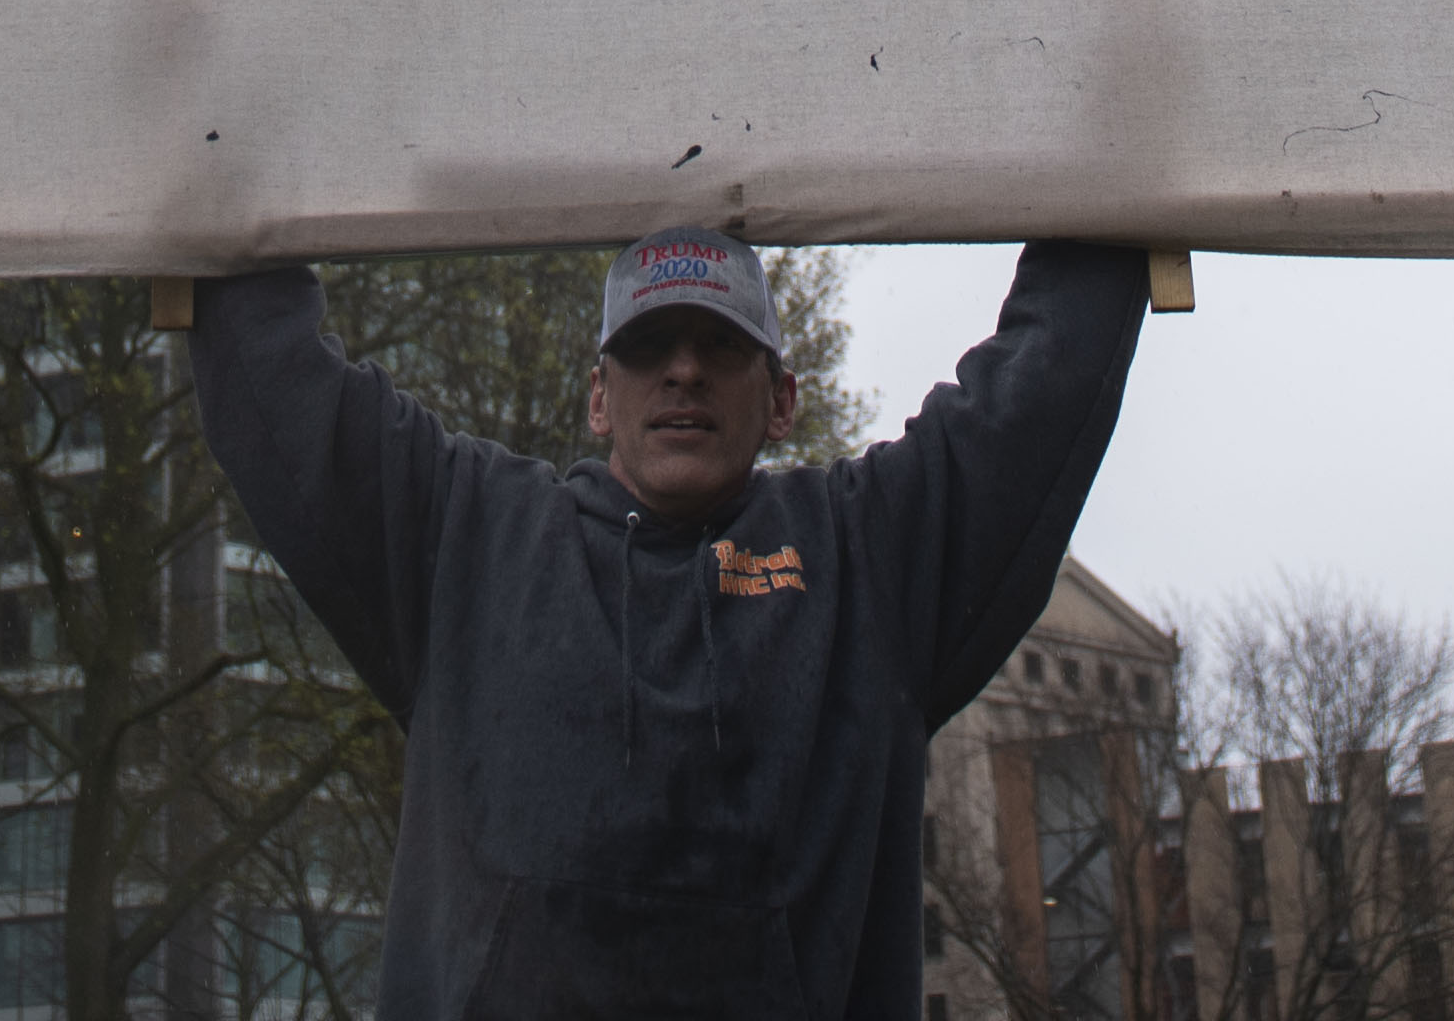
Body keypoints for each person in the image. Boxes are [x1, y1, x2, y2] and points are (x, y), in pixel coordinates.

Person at [192, 228, 1151, 1021]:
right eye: (649, 347)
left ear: (782, 398)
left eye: (722, 344)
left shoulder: (871, 561)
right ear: (600, 397)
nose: (684, 369)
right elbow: (271, 381)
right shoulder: (466, 537)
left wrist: (1106, 136)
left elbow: (1045, 382)